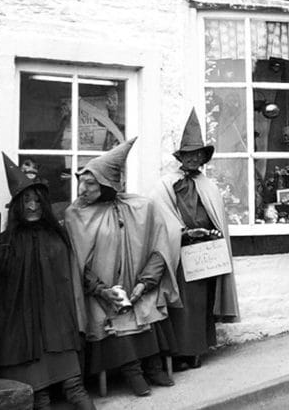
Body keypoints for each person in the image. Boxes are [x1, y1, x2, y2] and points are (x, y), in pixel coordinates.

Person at [63, 137, 181, 397]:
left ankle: (152, 365)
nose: (82, 189)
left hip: (140, 286)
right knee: (113, 317)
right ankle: (132, 371)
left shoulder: (141, 206)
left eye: (90, 183)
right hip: (98, 293)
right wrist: (101, 290)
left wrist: (144, 283)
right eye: (80, 182)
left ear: (107, 184)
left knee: (146, 308)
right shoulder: (75, 215)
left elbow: (160, 250)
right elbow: (75, 262)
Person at [0, 153, 95, 410]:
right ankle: (41, 396)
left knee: (76, 390)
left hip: (57, 322)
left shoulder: (57, 237)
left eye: (37, 200)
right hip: (22, 327)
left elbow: (72, 275)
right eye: (26, 200)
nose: (32, 206)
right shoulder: (4, 244)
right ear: (17, 205)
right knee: (40, 399)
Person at [157, 108, 240, 370]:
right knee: (184, 303)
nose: (193, 159)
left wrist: (214, 233)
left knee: (203, 302)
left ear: (203, 157)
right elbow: (162, 217)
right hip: (182, 251)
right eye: (188, 154)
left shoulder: (209, 185)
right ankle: (182, 351)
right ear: (181, 157)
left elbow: (216, 218)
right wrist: (183, 233)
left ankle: (198, 350)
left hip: (206, 252)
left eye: (197, 154)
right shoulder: (167, 184)